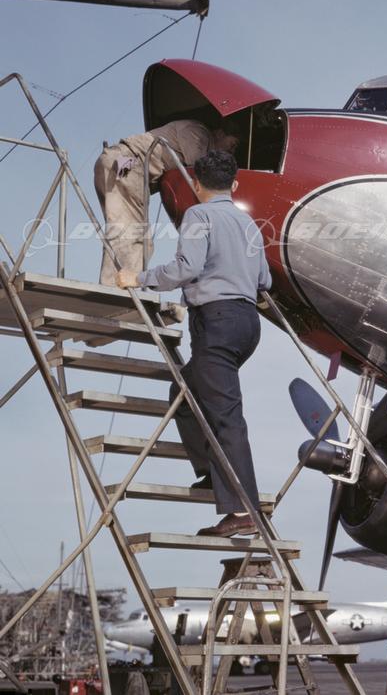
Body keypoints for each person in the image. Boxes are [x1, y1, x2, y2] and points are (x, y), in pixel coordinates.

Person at [115, 150, 271, 538]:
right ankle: (211, 472)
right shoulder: (248, 222)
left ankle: (242, 511)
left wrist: (139, 278)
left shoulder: (198, 215)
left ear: (196, 184)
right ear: (234, 185)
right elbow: (264, 280)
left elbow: (187, 268)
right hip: (247, 323)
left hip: (216, 322)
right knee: (184, 391)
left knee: (225, 415)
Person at [95, 117, 241, 286]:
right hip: (126, 162)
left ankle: (118, 286)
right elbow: (200, 173)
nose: (232, 151)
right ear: (221, 133)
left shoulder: (196, 134)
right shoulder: (198, 132)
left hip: (121, 162)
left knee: (132, 234)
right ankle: (117, 292)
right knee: (133, 234)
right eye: (233, 144)